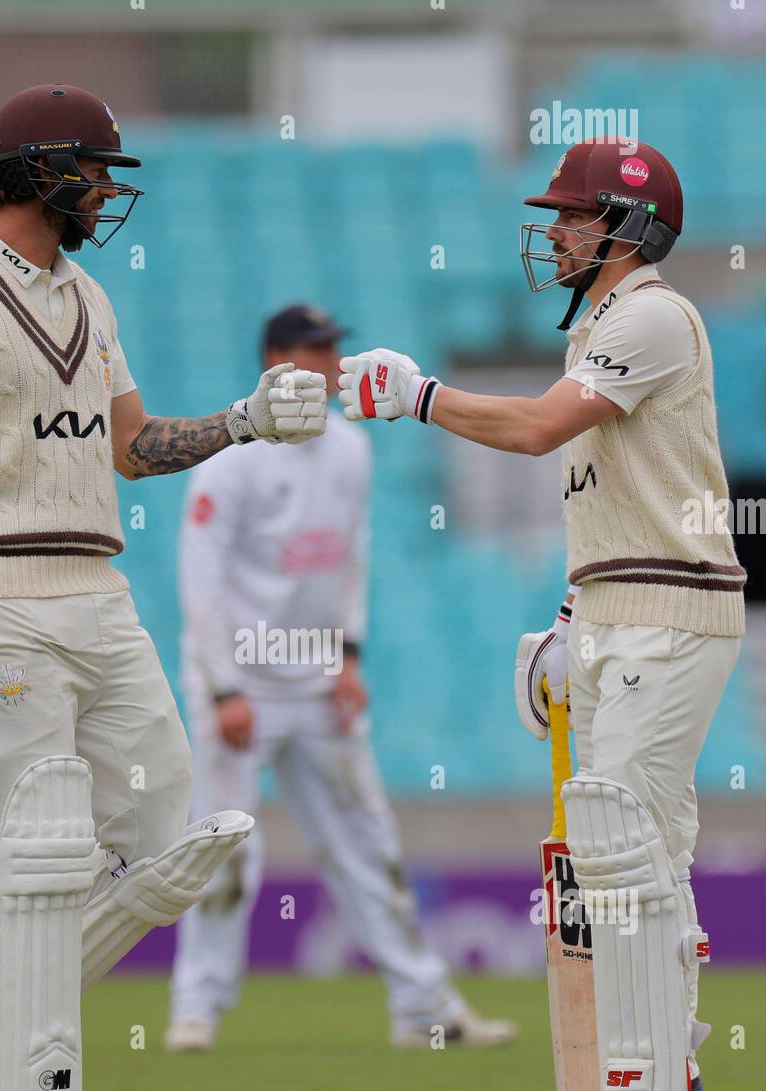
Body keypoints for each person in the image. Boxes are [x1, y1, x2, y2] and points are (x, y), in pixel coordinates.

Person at [0, 84, 325, 1091]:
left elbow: (130, 445)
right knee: (42, 849)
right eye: (97, 170)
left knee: (172, 842)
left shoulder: (88, 298)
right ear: (36, 172)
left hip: (101, 596)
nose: (110, 191)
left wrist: (243, 421)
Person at [338, 139, 745, 1091]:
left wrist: (417, 397)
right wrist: (570, 616)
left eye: (572, 213)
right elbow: (604, 492)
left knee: (618, 840)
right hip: (617, 605)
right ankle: (667, 1078)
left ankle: (642, 1084)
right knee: (646, 846)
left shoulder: (649, 316)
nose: (554, 230)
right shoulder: (602, 323)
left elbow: (533, 432)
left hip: (671, 606)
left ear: (627, 226)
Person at [166, 304, 519, 1052]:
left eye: (333, 350)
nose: (329, 365)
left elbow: (349, 558)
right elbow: (201, 581)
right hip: (242, 687)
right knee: (222, 850)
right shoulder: (231, 460)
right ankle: (195, 1009)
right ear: (272, 358)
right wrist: (224, 689)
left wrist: (349, 655)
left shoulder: (351, 450)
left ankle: (424, 1008)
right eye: (312, 350)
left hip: (320, 679)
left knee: (368, 842)